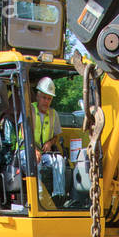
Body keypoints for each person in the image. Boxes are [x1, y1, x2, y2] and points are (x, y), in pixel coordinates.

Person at [30, 75, 67, 204]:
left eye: (49, 99)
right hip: (27, 151)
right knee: (36, 161)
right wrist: (33, 150)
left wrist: (50, 143)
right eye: (44, 98)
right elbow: (24, 133)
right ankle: (39, 197)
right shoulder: (29, 110)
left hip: (45, 153)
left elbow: (56, 135)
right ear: (37, 97)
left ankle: (58, 195)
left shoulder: (53, 114)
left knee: (59, 160)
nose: (46, 101)